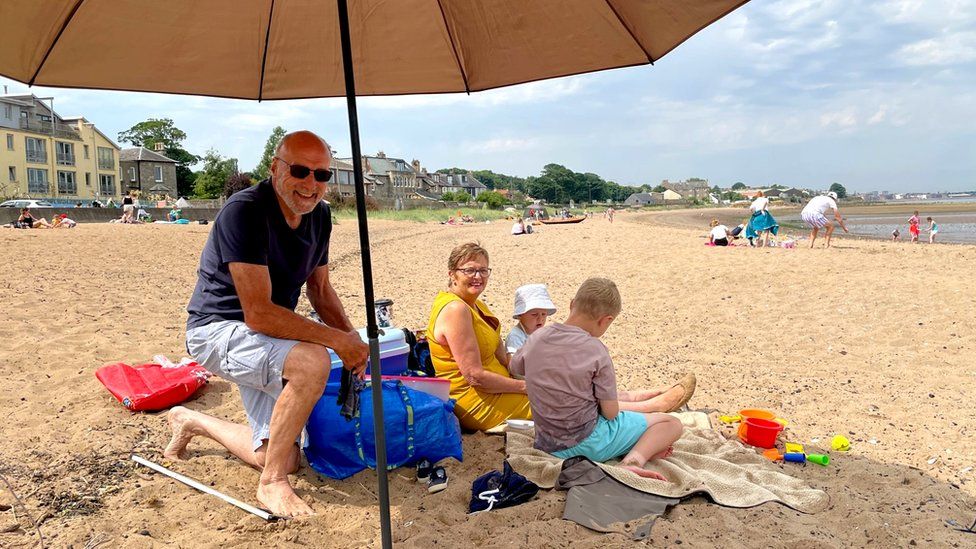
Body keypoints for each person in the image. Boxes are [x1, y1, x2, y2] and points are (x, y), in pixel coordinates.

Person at [163, 131, 369, 518]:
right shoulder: (245, 211)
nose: (312, 184)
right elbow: (258, 312)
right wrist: (336, 343)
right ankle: (271, 484)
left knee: (285, 454)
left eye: (322, 175)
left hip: (268, 337)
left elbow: (320, 289)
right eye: (301, 171)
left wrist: (352, 338)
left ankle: (192, 421)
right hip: (217, 329)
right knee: (312, 361)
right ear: (275, 168)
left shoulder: (319, 216)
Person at [511, 278, 684, 479]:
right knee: (671, 424)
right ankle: (632, 461)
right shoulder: (596, 350)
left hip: (548, 445)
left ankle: (636, 438)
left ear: (571, 304)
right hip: (588, 443)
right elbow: (610, 413)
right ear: (606, 320)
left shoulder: (537, 338)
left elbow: (516, 366)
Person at [425, 243, 532, 431]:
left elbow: (502, 355)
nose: (478, 277)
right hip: (477, 400)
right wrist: (526, 387)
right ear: (452, 274)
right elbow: (475, 377)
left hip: (498, 387)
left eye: (483, 270)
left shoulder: (476, 305)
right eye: (470, 271)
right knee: (559, 406)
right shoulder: (455, 310)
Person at [505, 284, 557, 356]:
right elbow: (513, 364)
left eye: (544, 314)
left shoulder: (541, 333)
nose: (540, 319)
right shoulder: (516, 337)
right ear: (520, 315)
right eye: (534, 314)